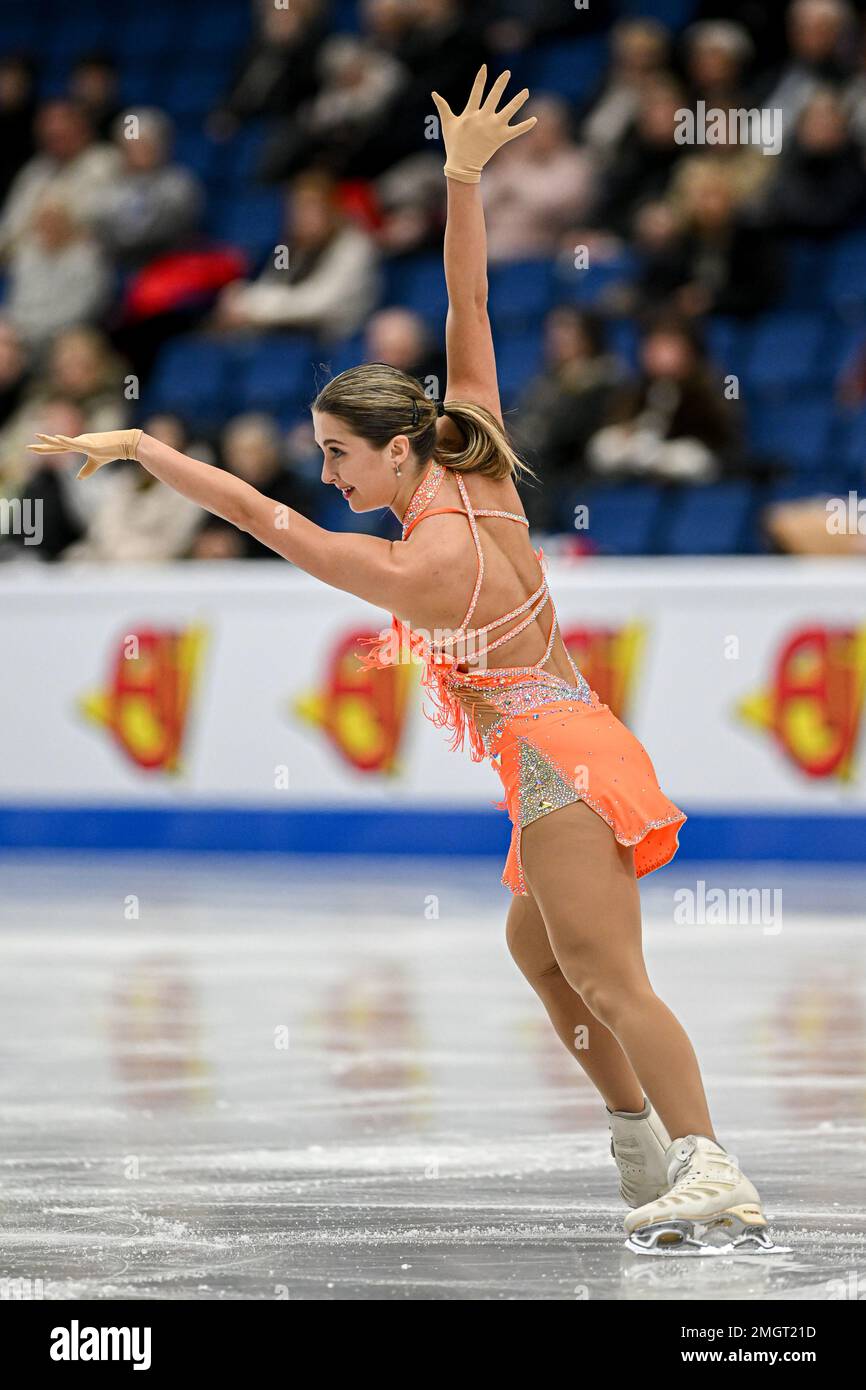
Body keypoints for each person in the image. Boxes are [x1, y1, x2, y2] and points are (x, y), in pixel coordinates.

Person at [28, 68, 783, 1257]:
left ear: (391, 450)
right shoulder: (473, 454)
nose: (327, 477)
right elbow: (466, 302)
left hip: (558, 759)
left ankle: (709, 1165)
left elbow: (261, 519)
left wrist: (143, 449)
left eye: (337, 457)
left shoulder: (412, 568)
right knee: (542, 956)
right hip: (566, 740)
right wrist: (462, 176)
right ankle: (639, 1140)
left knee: (609, 978)